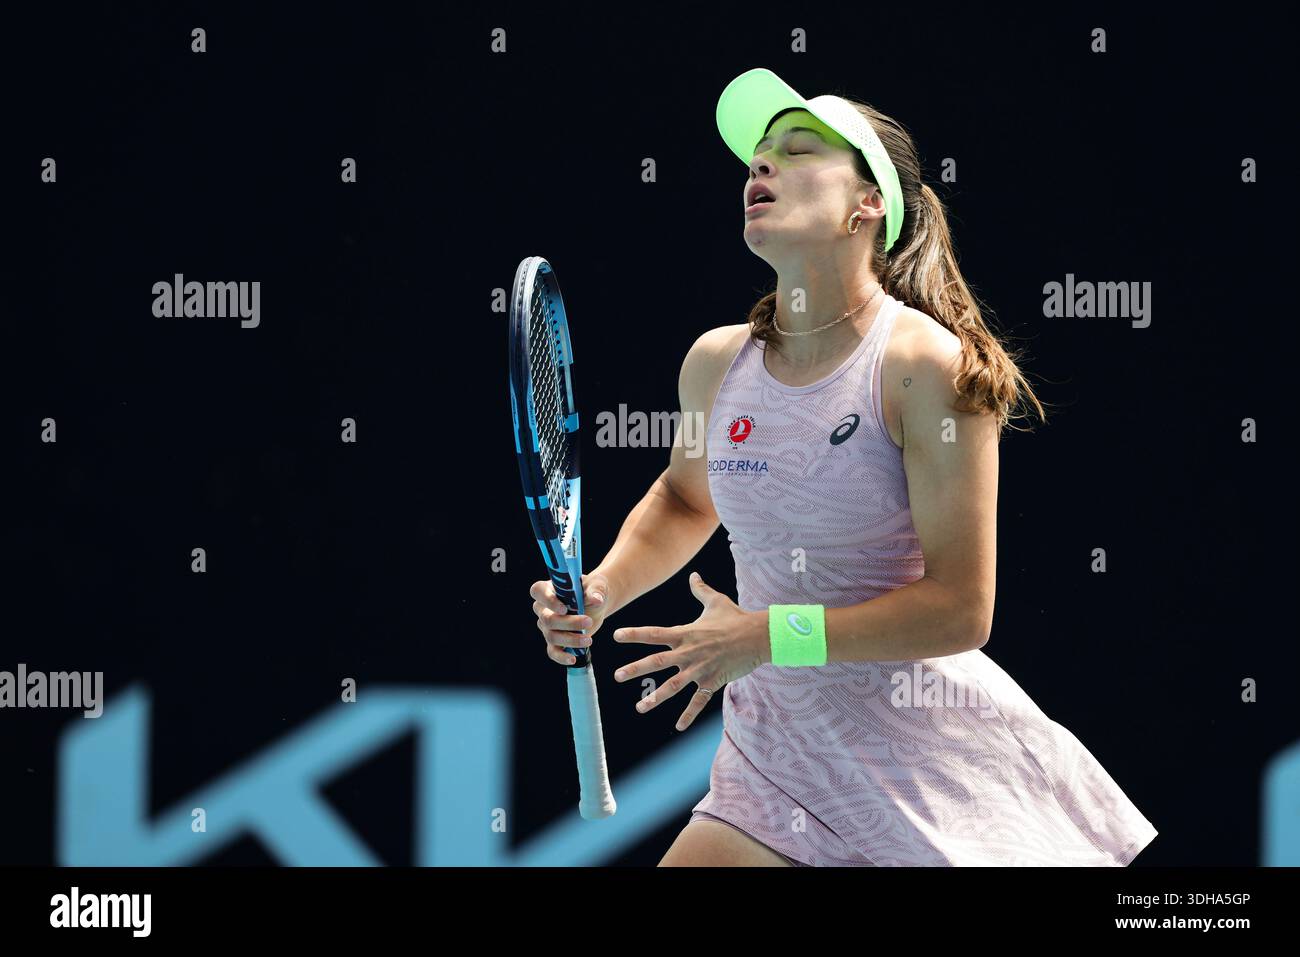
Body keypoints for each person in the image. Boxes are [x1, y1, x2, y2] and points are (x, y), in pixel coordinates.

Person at [528, 67, 1158, 866]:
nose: (762, 168)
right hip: (776, 768)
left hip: (929, 774)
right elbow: (685, 500)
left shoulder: (922, 366)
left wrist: (767, 636)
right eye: (757, 157)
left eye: (796, 153)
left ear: (870, 206)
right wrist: (603, 589)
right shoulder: (716, 365)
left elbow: (962, 608)